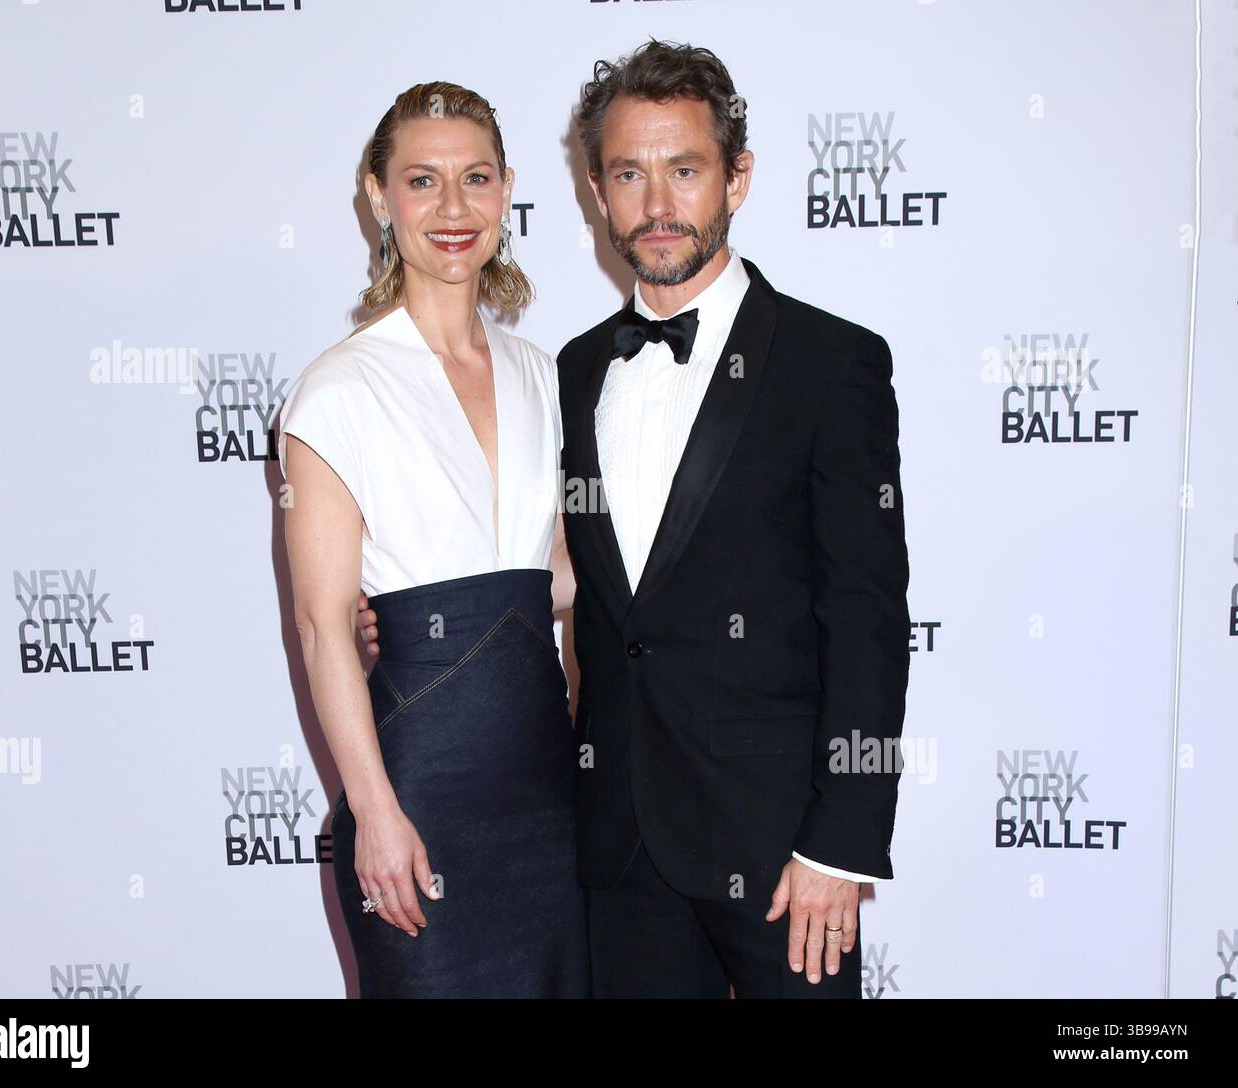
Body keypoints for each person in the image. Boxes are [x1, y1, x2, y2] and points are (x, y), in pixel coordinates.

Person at [359, 39, 911, 999]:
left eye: (684, 170)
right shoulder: (569, 372)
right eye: (629, 173)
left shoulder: (833, 364)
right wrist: (416, 608)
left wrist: (843, 841)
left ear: (737, 178)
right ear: (595, 192)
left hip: (786, 853)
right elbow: (564, 567)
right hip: (617, 851)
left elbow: (869, 617)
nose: (657, 204)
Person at [280, 81, 589, 998]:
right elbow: (323, 622)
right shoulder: (337, 392)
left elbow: (552, 580)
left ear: (506, 192)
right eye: (423, 181)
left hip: (546, 785)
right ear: (379, 196)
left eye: (476, 179)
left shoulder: (546, 376)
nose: (453, 210)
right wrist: (373, 810)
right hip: (419, 785)